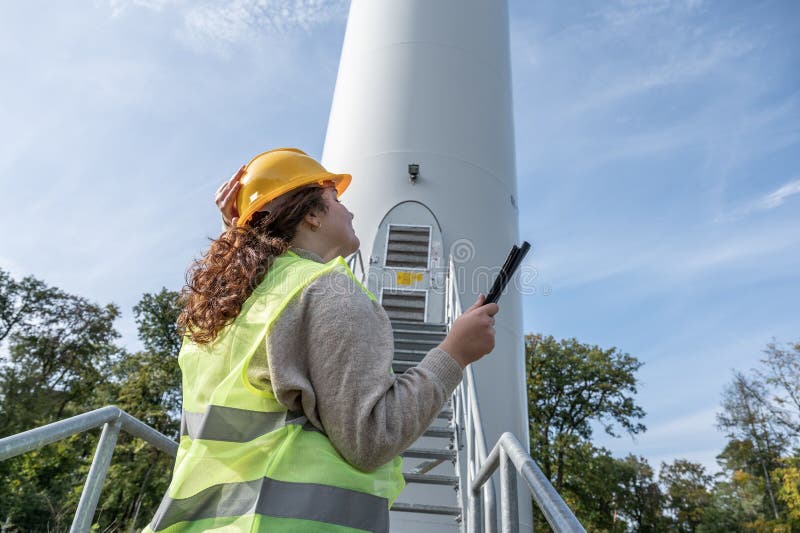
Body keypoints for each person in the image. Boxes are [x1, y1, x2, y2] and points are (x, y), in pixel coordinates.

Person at [143, 148, 499, 532]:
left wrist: (242, 228)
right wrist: (454, 353)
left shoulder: (220, 310)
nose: (350, 211)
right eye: (337, 199)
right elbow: (371, 437)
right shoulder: (327, 290)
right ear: (311, 215)